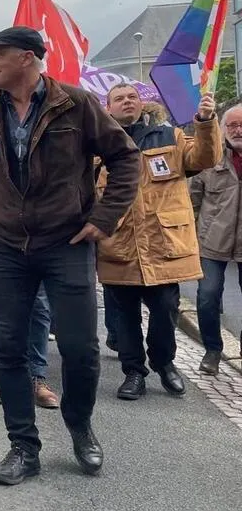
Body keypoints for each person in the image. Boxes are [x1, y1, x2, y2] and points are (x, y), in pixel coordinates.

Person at [0, 26, 140, 485]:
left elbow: (126, 158)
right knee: (9, 350)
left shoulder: (75, 105)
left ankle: (80, 426)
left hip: (67, 244)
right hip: (5, 249)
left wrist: (104, 217)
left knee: (80, 349)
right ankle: (22, 446)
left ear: (28, 58)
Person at [100, 86, 220, 399]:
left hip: (162, 244)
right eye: (119, 98)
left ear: (141, 104)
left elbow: (206, 157)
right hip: (119, 244)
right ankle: (133, 372)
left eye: (132, 97)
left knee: (166, 309)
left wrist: (205, 121)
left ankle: (164, 363)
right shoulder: (98, 145)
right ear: (108, 108)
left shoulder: (170, 136)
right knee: (124, 317)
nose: (127, 101)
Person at [189, 103, 242, 376]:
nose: (237, 130)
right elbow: (192, 200)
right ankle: (212, 350)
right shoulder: (212, 158)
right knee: (207, 297)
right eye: (231, 125)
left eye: (241, 124)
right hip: (212, 242)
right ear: (222, 130)